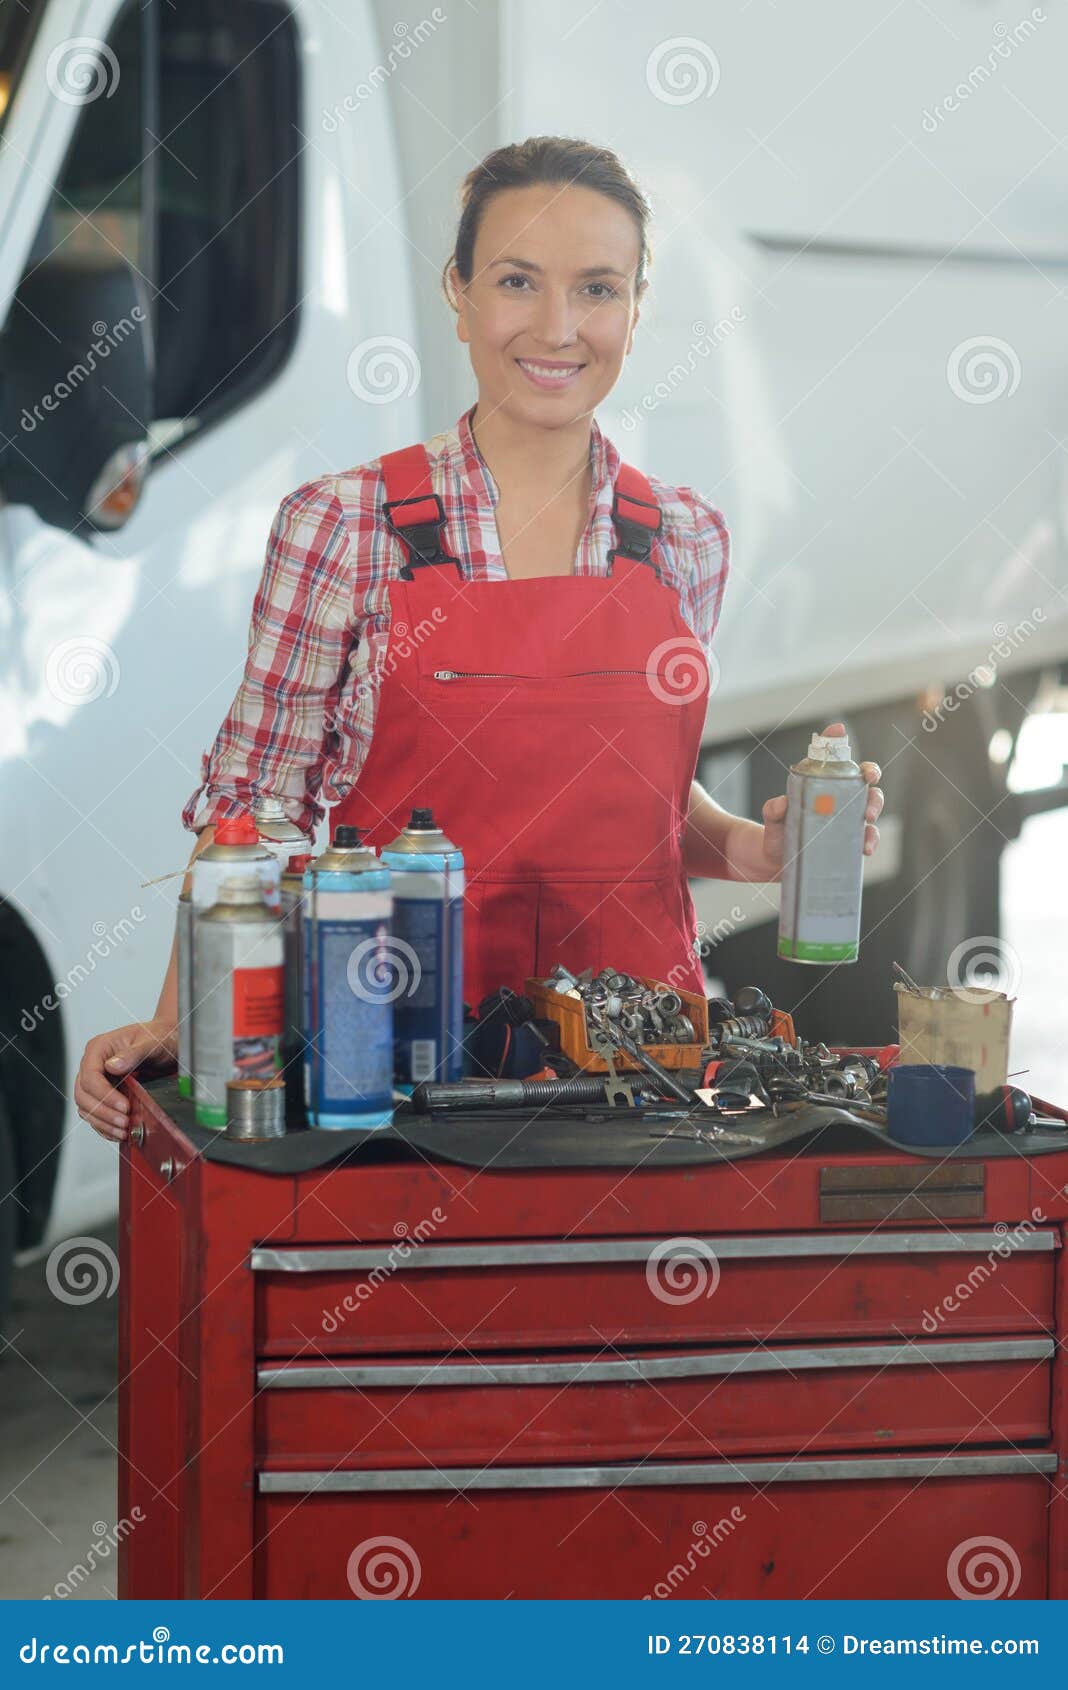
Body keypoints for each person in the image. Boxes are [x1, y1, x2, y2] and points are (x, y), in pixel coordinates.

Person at [76, 136, 883, 1142]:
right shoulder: (346, 525)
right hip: (392, 1075)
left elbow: (638, 801)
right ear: (457, 291)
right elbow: (258, 803)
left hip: (642, 1079)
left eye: (597, 288)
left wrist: (755, 849)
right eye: (516, 281)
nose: (557, 327)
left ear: (638, 307)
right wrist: (184, 1019)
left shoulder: (684, 537)